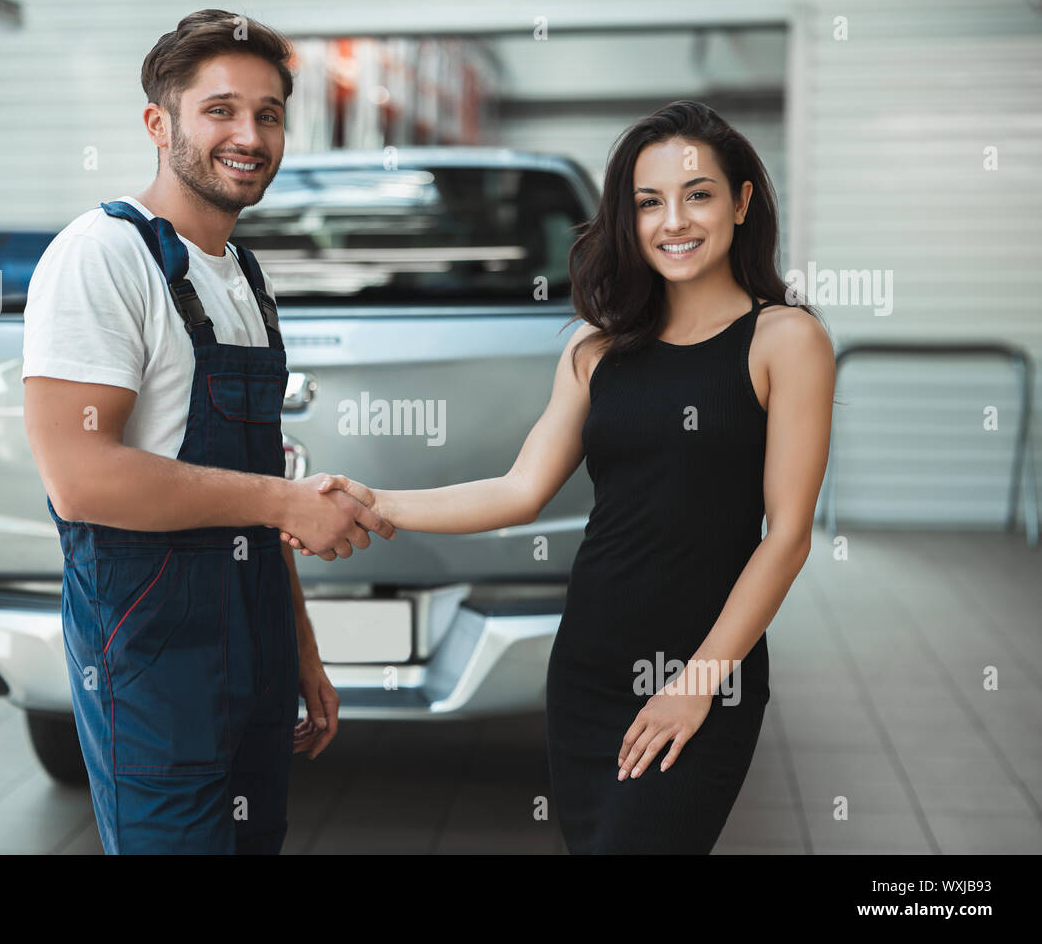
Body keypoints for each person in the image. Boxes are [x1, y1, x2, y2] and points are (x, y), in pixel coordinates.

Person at [283, 100, 836, 853]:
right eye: (649, 202)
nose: (673, 221)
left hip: (703, 674)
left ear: (740, 203)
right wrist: (379, 502)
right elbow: (518, 490)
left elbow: (789, 537)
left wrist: (695, 688)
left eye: (698, 194)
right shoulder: (597, 348)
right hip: (588, 669)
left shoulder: (785, 340)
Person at [22, 9, 393, 854]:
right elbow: (80, 475)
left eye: (268, 114)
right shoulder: (103, 257)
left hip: (252, 646)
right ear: (159, 124)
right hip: (154, 660)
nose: (250, 134)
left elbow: (263, 490)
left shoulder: (242, 274)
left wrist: (298, 646)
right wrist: (287, 503)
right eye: (220, 109)